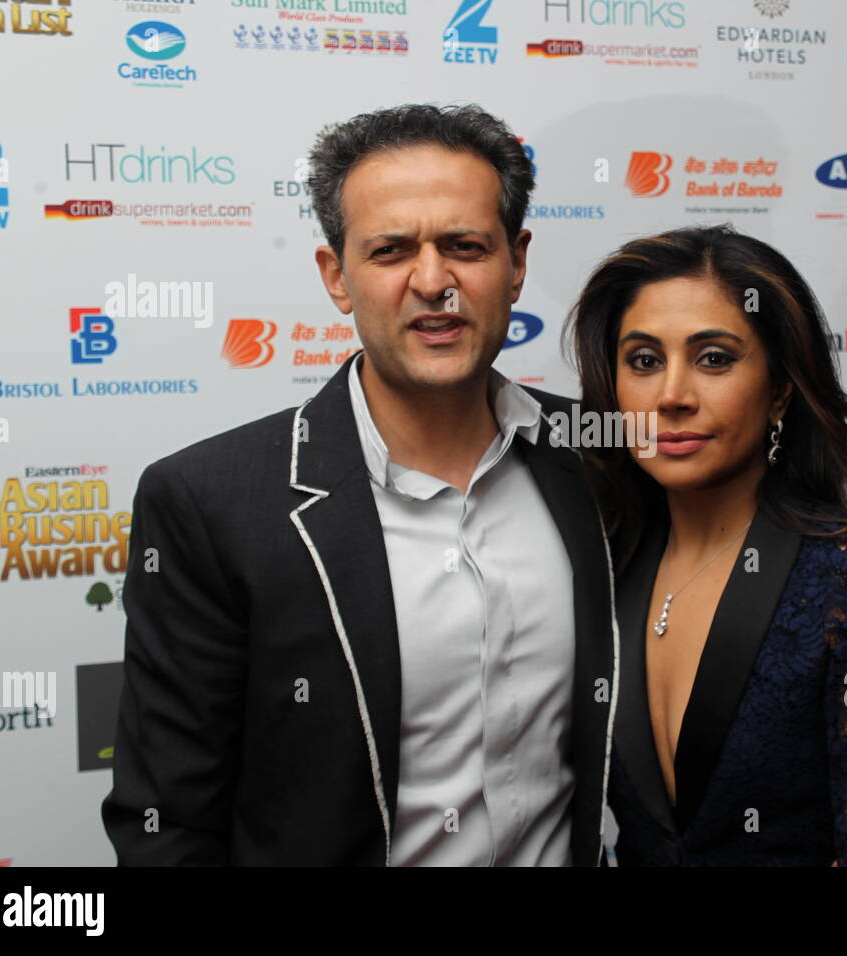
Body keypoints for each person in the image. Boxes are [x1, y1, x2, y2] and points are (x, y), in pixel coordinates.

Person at [101, 104, 619, 866]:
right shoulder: (211, 501)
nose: (433, 281)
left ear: (516, 262)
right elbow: (166, 822)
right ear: (336, 276)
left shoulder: (605, 459)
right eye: (391, 250)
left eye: (466, 246)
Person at [566, 224, 847, 865]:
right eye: (643, 360)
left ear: (779, 389)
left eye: (714, 358)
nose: (672, 396)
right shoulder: (601, 563)